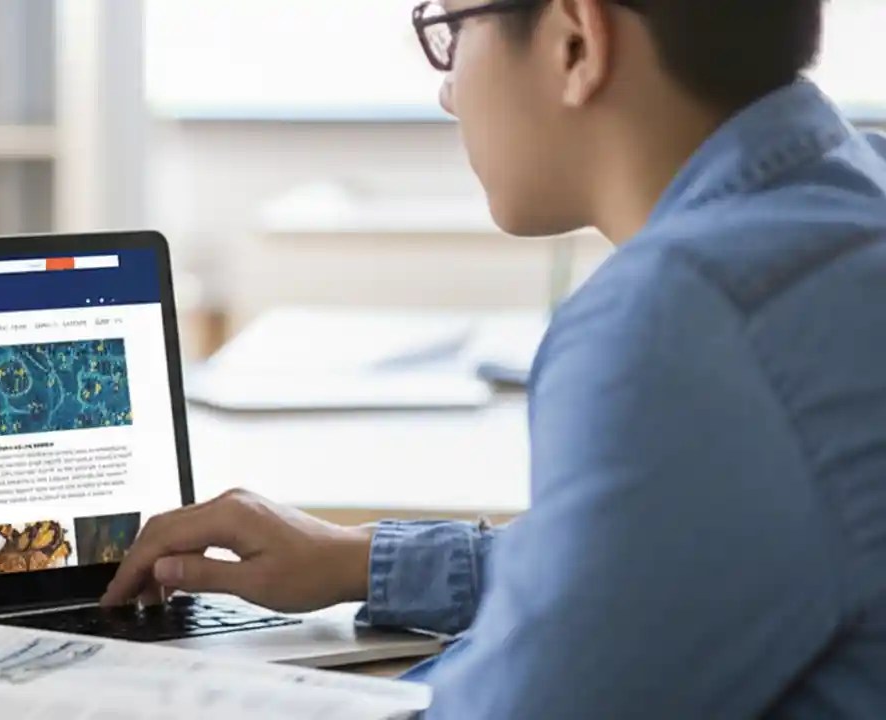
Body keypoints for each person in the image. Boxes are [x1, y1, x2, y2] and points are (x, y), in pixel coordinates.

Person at [104, 0, 886, 716]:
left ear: (576, 41)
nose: (446, 92)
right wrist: (355, 558)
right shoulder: (856, 189)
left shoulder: (686, 316)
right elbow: (666, 565)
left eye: (451, 29)